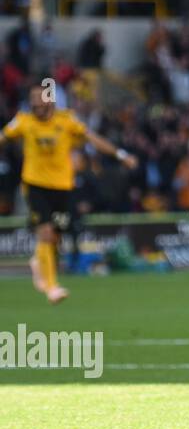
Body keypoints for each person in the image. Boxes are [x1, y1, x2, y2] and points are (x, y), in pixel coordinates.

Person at [0, 84, 138, 304]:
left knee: (55, 236)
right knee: (45, 231)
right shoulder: (23, 121)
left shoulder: (66, 121)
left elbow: (93, 139)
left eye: (39, 99)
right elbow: (3, 138)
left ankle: (38, 260)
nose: (35, 103)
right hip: (35, 185)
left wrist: (121, 154)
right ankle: (52, 288)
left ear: (50, 101)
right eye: (33, 99)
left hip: (62, 187)